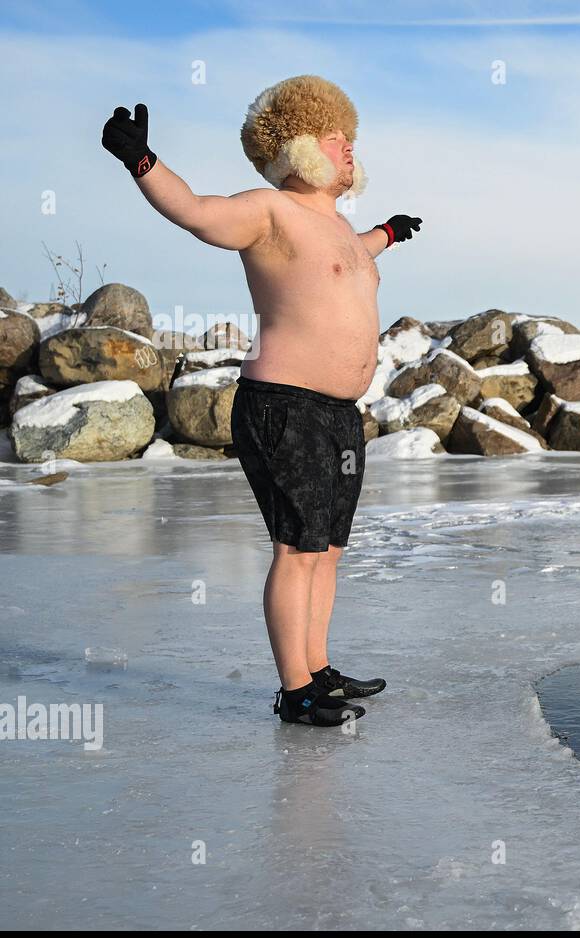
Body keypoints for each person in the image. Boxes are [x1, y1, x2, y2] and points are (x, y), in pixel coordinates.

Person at [101, 75, 423, 726]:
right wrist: (141, 160)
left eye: (351, 138)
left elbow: (346, 257)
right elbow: (197, 212)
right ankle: (294, 688)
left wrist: (387, 231)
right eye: (337, 139)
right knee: (296, 549)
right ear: (301, 147)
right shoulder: (271, 211)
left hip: (338, 415)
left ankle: (319, 668)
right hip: (284, 405)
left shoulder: (338, 228)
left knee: (327, 549)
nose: (350, 149)